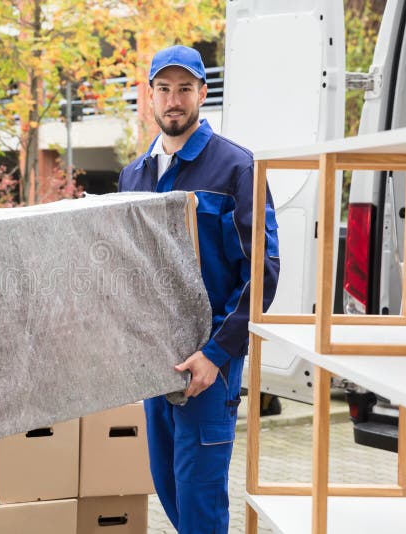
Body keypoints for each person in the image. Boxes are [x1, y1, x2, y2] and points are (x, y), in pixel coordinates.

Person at [118, 45, 280, 533]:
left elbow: (262, 271)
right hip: (155, 362)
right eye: (163, 89)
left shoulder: (236, 168)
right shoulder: (134, 176)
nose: (173, 100)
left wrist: (216, 353)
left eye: (184, 89)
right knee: (166, 483)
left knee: (200, 497)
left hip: (209, 364)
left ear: (202, 95)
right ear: (148, 96)